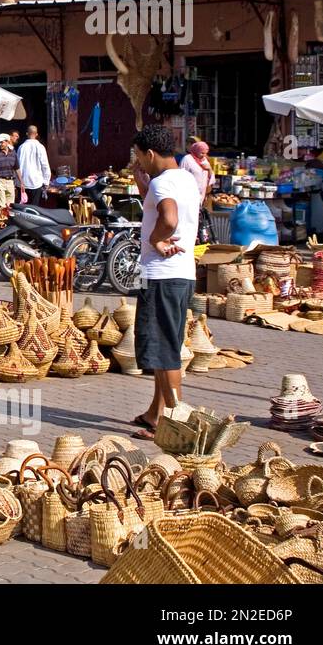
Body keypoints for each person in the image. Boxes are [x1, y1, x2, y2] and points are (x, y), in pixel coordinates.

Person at [128, 124, 200, 441]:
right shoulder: (184, 178)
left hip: (161, 275)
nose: (139, 162)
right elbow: (162, 207)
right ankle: (156, 413)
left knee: (164, 349)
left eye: (139, 157)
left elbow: (168, 218)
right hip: (181, 274)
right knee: (162, 347)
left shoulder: (162, 184)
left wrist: (157, 240)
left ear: (150, 153)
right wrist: (140, 180)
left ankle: (175, 424)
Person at [17, 125, 51, 206]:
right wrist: (46, 182)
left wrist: (16, 181)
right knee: (34, 208)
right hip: (36, 182)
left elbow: (17, 165)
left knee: (23, 208)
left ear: (27, 134)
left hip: (22, 182)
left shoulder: (21, 147)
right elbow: (45, 165)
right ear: (36, 134)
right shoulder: (40, 147)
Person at [0, 136, 18, 209]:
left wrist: (21, 183)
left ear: (7, 142)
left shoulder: (13, 153)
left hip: (10, 181)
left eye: (2, 142)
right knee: (0, 207)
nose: (0, 144)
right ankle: (1, 220)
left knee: (10, 206)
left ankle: (8, 220)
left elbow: (17, 168)